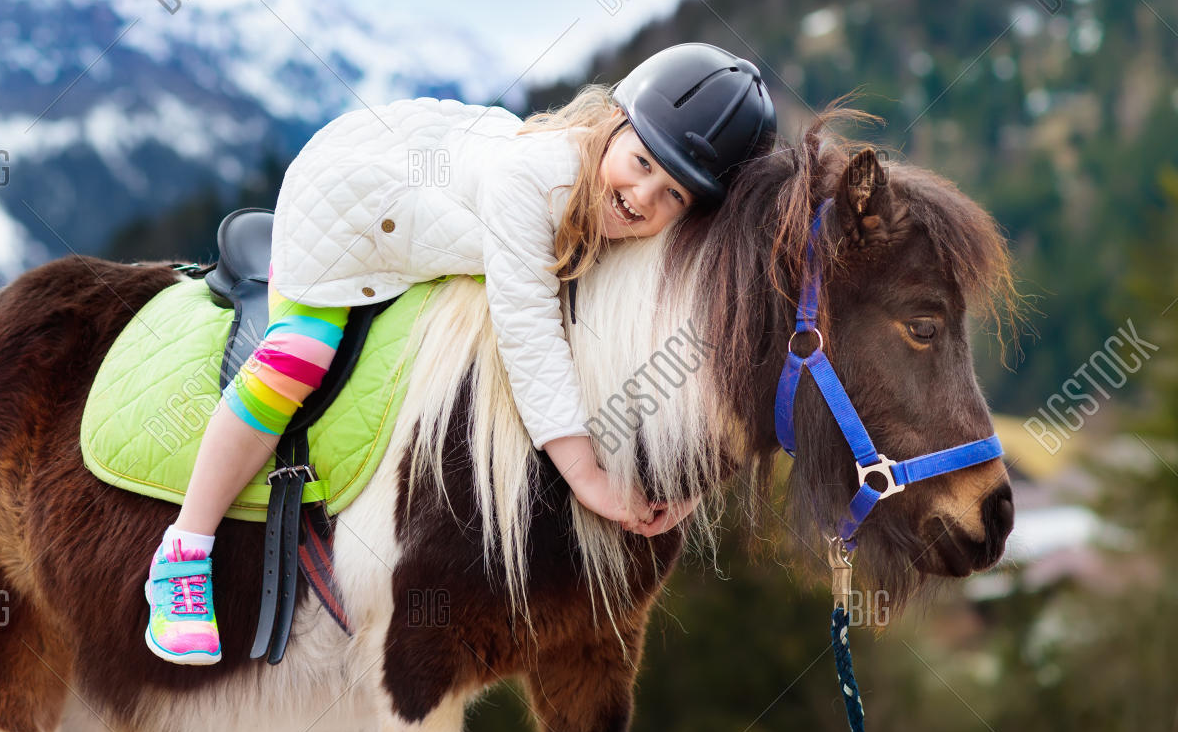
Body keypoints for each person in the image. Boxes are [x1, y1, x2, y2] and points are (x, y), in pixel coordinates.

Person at [144, 43, 777, 663]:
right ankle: (185, 550)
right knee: (296, 360)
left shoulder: (623, 209)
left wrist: (681, 476)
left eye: (674, 195)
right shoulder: (537, 182)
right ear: (614, 125)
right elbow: (528, 329)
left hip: (434, 191)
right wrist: (586, 477)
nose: (643, 197)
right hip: (351, 212)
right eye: (642, 163)